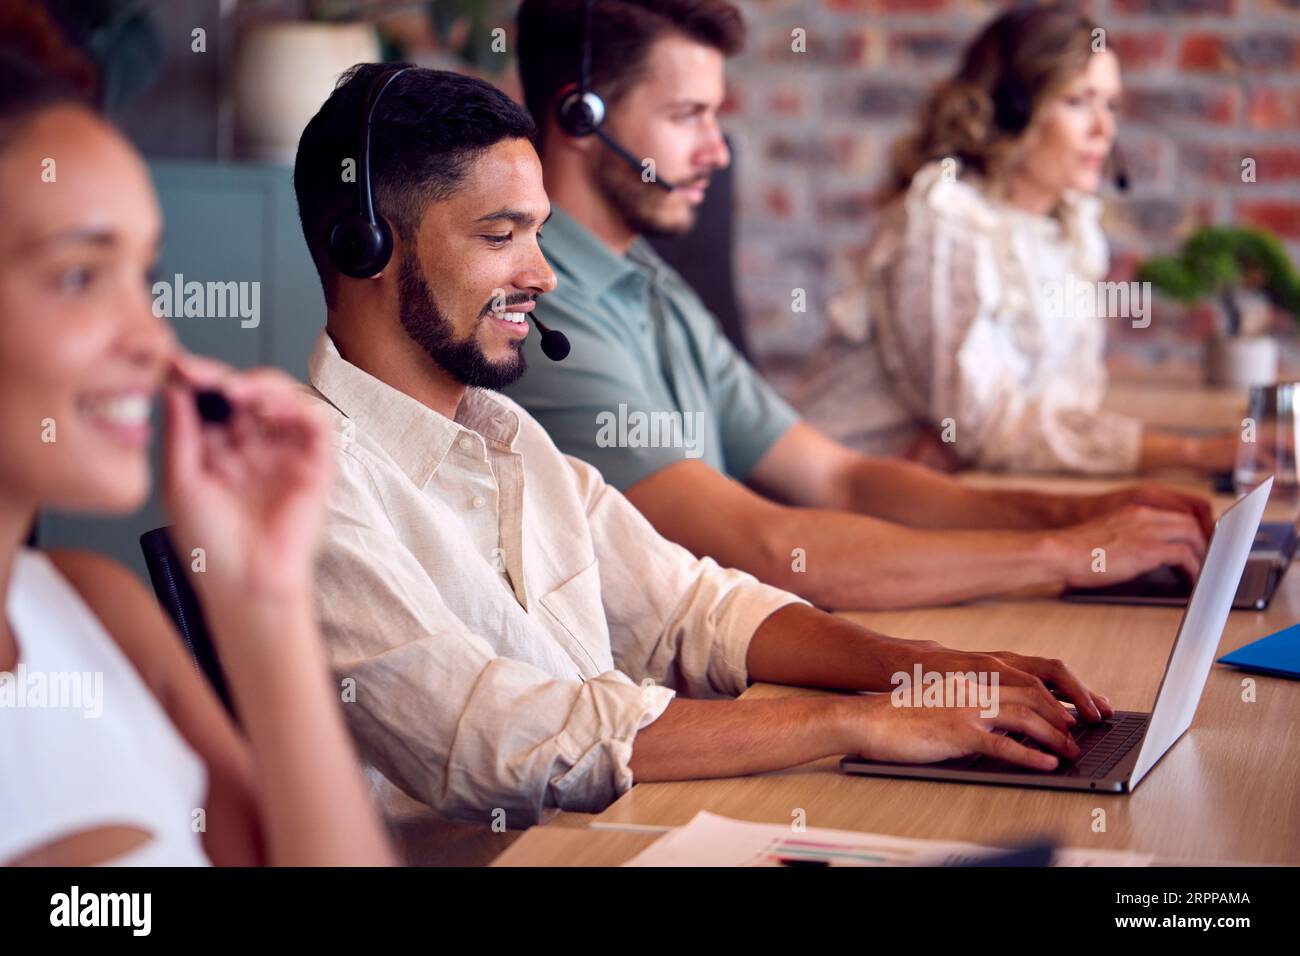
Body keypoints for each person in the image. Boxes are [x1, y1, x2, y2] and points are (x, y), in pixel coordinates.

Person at [291, 62, 1113, 827]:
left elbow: (694, 610)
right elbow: (486, 735)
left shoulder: (510, 439)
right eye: (500, 236)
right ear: (363, 244)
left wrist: (923, 668)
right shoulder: (306, 485)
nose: (543, 276)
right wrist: (860, 719)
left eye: (539, 234)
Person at [503, 0, 1215, 612]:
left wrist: (1083, 512)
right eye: (689, 116)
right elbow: (766, 545)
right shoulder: (542, 310)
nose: (719, 152)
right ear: (580, 116)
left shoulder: (649, 278)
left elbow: (840, 476)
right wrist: (1067, 553)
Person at [0, 28, 392, 866]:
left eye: (143, 276)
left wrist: (265, 600)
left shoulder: (96, 609)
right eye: (79, 276)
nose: (154, 340)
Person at [789, 6, 1239, 476]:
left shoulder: (1067, 230)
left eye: (1110, 105)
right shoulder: (946, 223)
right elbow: (987, 426)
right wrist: (1195, 454)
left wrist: (984, 439)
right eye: (1077, 101)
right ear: (1013, 111)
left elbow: (1062, 404)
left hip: (949, 491)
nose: (1104, 131)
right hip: (834, 504)